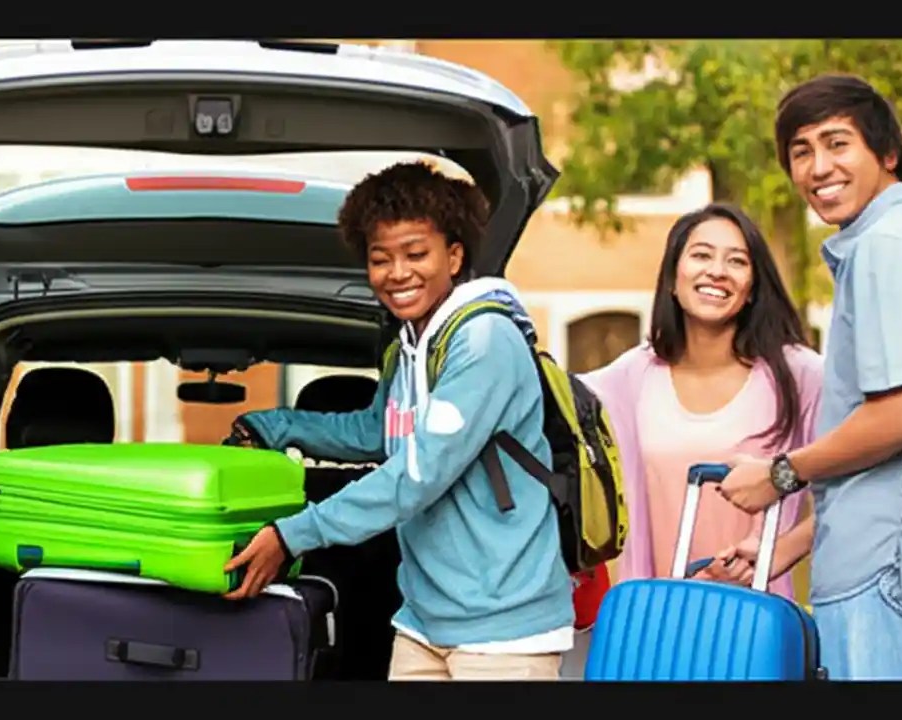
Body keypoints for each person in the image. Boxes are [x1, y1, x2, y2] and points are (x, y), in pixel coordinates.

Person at [220, 160, 575, 681]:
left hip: (504, 628)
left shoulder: (484, 341)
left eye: (416, 254)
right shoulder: (409, 346)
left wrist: (294, 534)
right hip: (423, 620)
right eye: (380, 258)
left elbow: (417, 475)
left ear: (454, 256)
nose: (398, 274)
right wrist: (276, 426)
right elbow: (376, 433)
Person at [717, 73, 902, 681]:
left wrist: (779, 474)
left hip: (887, 577)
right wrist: (790, 545)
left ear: (888, 154)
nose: (818, 167)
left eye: (837, 143)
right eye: (801, 152)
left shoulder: (885, 248)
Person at [580, 203, 822, 599]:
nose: (717, 271)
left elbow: (858, 475)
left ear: (751, 290)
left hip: (752, 618)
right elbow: (547, 402)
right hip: (653, 616)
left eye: (737, 261)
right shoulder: (633, 376)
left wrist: (783, 550)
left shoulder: (797, 375)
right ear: (673, 278)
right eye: (701, 255)